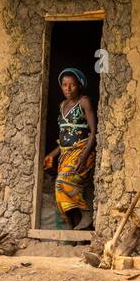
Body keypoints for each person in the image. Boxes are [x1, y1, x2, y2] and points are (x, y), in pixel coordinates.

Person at [42, 68, 97, 230]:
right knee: (60, 191)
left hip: (82, 152)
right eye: (64, 85)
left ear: (79, 86)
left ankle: (86, 213)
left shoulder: (84, 102)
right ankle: (75, 227)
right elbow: (64, 137)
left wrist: (84, 156)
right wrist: (52, 154)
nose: (68, 88)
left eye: (72, 85)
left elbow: (94, 132)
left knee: (62, 182)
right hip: (66, 155)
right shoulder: (62, 105)